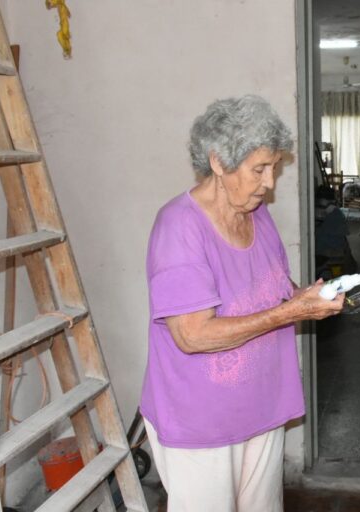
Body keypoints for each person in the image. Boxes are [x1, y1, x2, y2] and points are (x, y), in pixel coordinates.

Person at [140, 95, 344, 511]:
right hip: (203, 421)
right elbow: (193, 335)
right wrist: (291, 313)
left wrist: (301, 295)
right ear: (218, 162)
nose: (269, 183)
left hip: (262, 405)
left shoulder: (254, 211)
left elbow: (269, 283)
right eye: (259, 169)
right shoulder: (178, 227)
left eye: (273, 168)